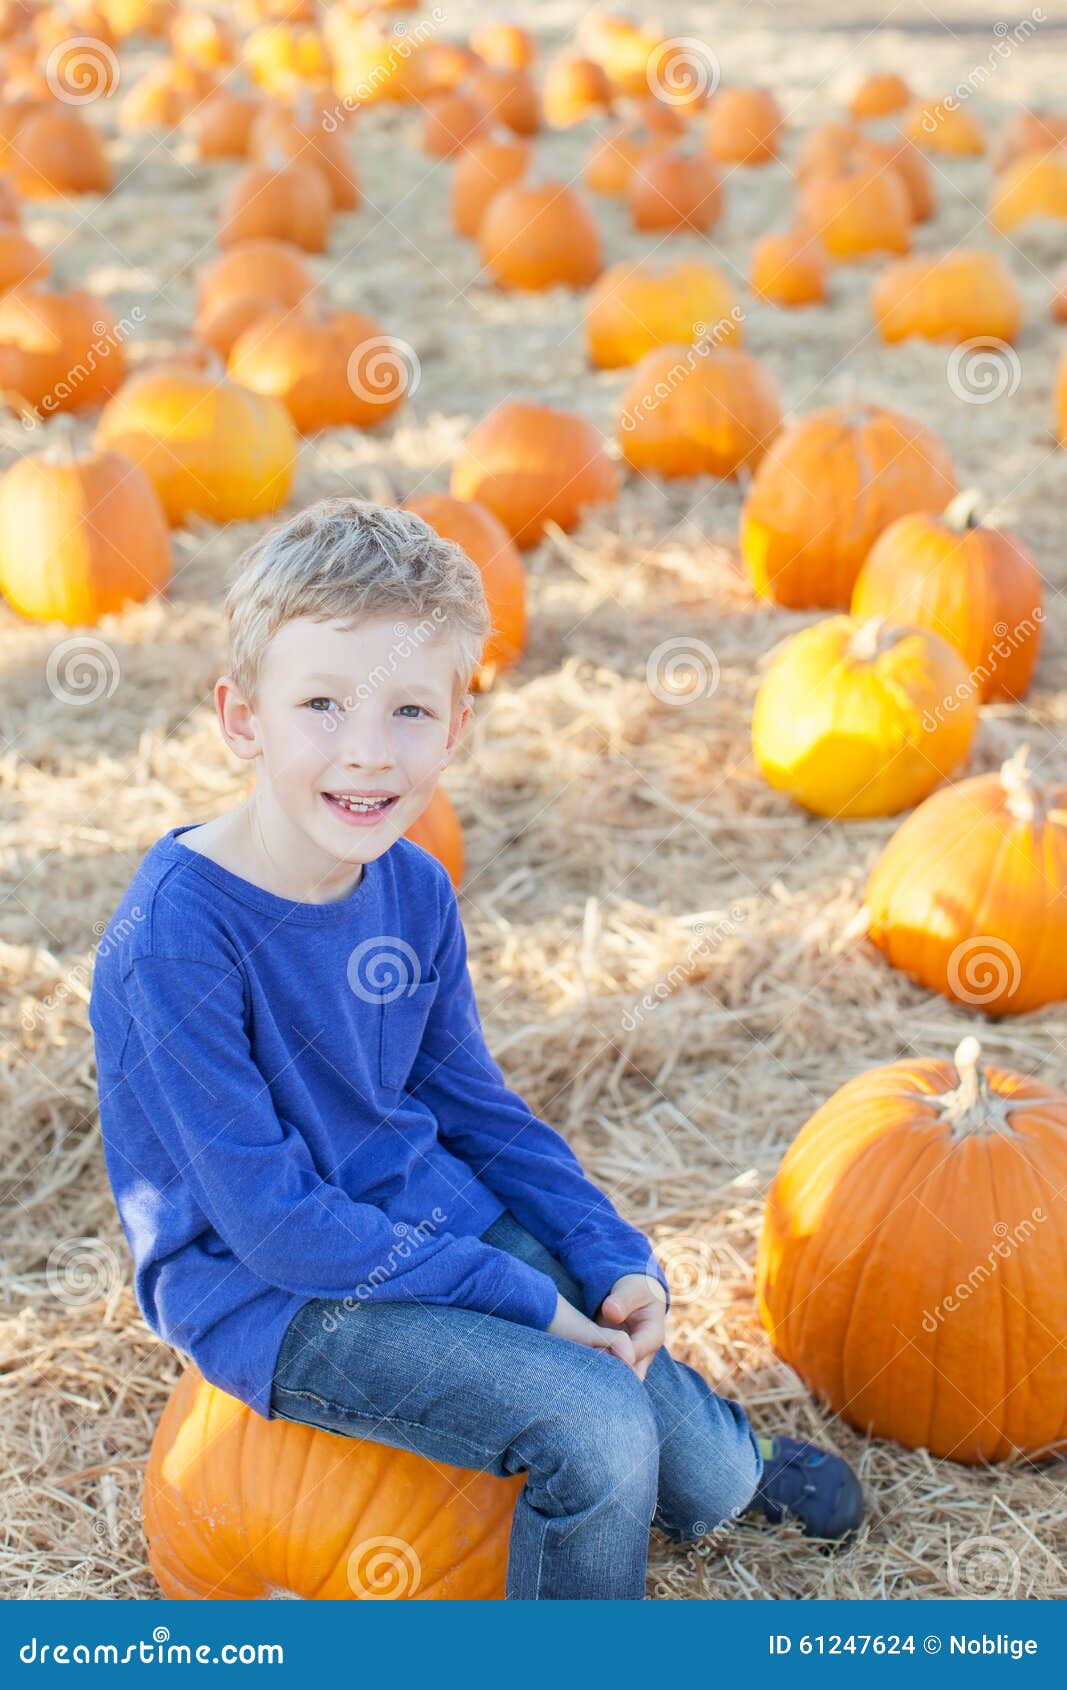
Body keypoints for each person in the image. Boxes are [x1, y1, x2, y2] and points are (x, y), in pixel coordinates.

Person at [89, 499, 863, 1600]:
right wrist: (517, 1296)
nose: (366, 751)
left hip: (420, 1208)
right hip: (280, 1297)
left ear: (455, 727)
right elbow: (273, 1225)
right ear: (240, 716)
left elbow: (475, 1108)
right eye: (321, 704)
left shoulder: (410, 885)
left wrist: (606, 1256)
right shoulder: (178, 934)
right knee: (593, 1424)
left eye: (407, 710)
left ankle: (722, 1475)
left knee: (632, 1368)